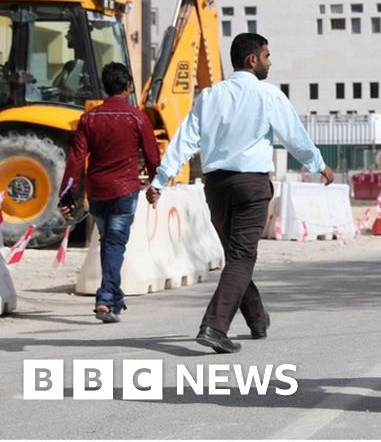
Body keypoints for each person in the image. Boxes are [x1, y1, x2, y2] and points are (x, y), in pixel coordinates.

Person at [146, 32, 334, 354]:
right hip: (251, 186)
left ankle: (257, 319)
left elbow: (185, 140)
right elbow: (295, 137)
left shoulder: (209, 96)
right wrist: (319, 165)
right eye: (267, 56)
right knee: (242, 258)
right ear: (252, 59)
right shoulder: (268, 95)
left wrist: (160, 179)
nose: (269, 62)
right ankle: (214, 327)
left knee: (236, 257)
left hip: (216, 187)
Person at [57, 62, 161, 323]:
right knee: (115, 244)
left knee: (109, 244)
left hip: (97, 192)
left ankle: (114, 298)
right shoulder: (138, 118)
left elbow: (76, 160)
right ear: (127, 87)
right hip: (124, 191)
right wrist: (155, 185)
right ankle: (104, 299)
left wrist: (67, 194)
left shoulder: (88, 118)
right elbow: (152, 157)